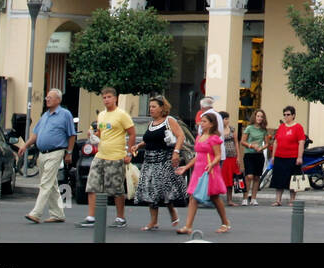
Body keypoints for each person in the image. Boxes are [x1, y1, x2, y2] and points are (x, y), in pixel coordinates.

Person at [78, 86, 135, 228]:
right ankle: (91, 216)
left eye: (109, 97)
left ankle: (120, 218)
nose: (106, 100)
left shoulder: (122, 115)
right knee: (92, 185)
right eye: (104, 97)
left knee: (116, 189)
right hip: (100, 155)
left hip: (115, 156)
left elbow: (132, 133)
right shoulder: (102, 115)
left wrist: (129, 153)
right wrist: (93, 136)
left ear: (115, 98)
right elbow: (101, 132)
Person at [20, 88, 75, 224]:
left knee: (45, 183)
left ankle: (36, 213)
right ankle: (58, 214)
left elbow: (72, 134)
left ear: (58, 100)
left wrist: (69, 152)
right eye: (46, 97)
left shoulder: (65, 114)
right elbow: (36, 134)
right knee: (52, 184)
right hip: (43, 154)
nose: (47, 99)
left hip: (56, 152)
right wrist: (25, 145)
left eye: (50, 97)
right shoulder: (45, 115)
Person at [135, 94, 187, 230]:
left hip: (164, 159)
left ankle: (171, 210)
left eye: (154, 107)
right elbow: (149, 140)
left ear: (162, 108)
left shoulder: (169, 120)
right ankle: (153, 221)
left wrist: (176, 152)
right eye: (150, 107)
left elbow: (181, 135)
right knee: (150, 190)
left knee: (164, 190)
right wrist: (139, 145)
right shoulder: (151, 123)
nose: (151, 109)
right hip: (149, 160)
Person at [177, 111, 231, 234]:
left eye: (204, 121)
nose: (201, 124)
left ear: (212, 124)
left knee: (215, 197)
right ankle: (188, 226)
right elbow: (198, 156)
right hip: (199, 170)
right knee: (193, 197)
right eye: (201, 121)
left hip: (210, 170)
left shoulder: (214, 138)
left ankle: (225, 222)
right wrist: (186, 167)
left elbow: (218, 155)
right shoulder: (199, 137)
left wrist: (212, 164)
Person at [271, 105, 304, 205]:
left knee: (292, 179)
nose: (286, 116)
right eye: (284, 115)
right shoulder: (281, 127)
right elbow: (276, 142)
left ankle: (292, 200)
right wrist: (273, 156)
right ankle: (278, 200)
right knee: (278, 179)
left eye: (288, 114)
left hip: (292, 157)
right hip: (280, 157)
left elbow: (301, 142)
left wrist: (299, 157)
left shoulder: (298, 127)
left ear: (293, 115)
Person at [240, 109, 268, 205]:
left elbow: (267, 143)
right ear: (254, 117)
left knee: (257, 177)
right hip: (249, 154)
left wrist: (261, 148)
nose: (259, 118)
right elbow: (242, 142)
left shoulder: (264, 130)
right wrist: (251, 145)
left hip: (259, 155)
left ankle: (253, 198)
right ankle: (245, 197)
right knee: (249, 176)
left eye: (261, 116)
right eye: (258, 116)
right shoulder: (249, 128)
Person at [217, 110, 241, 204]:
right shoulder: (218, 130)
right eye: (225, 119)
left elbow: (236, 143)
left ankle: (229, 199)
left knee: (231, 179)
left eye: (228, 119)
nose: (227, 121)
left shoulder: (232, 129)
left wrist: (238, 156)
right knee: (221, 177)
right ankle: (217, 198)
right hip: (222, 157)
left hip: (232, 156)